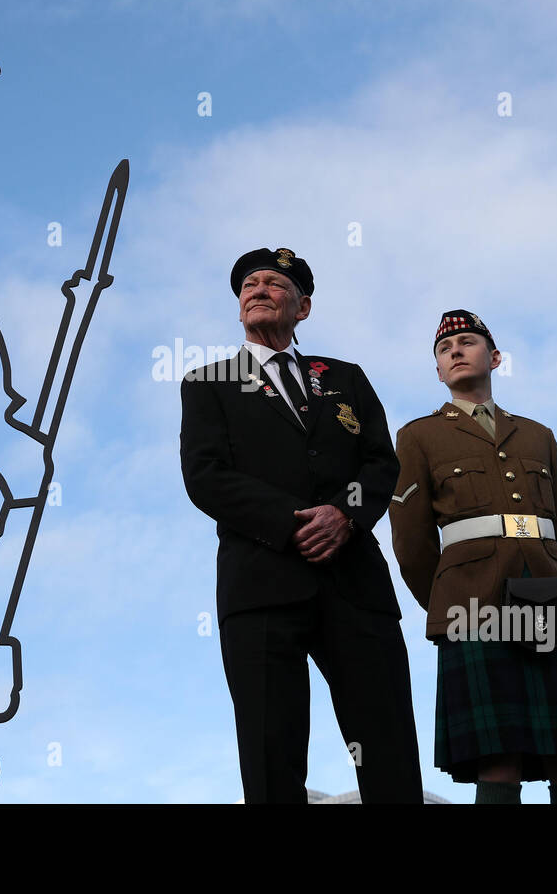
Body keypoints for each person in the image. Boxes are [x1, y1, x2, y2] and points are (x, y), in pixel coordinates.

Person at [179, 247, 424, 803]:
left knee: (385, 742)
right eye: (249, 283)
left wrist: (345, 514)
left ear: (303, 306)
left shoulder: (345, 377)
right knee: (271, 750)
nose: (258, 288)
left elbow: (381, 462)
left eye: (274, 282)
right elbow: (205, 475)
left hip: (355, 584)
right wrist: (292, 525)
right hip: (261, 585)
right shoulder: (208, 382)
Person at [388, 309, 557, 803]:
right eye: (444, 348)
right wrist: (448, 600)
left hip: (551, 600)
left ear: (495, 357)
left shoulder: (539, 435)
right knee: (497, 759)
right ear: (438, 371)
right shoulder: (418, 437)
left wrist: (549, 580)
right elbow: (411, 544)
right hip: (472, 607)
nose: (455, 350)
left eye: (467, 341)